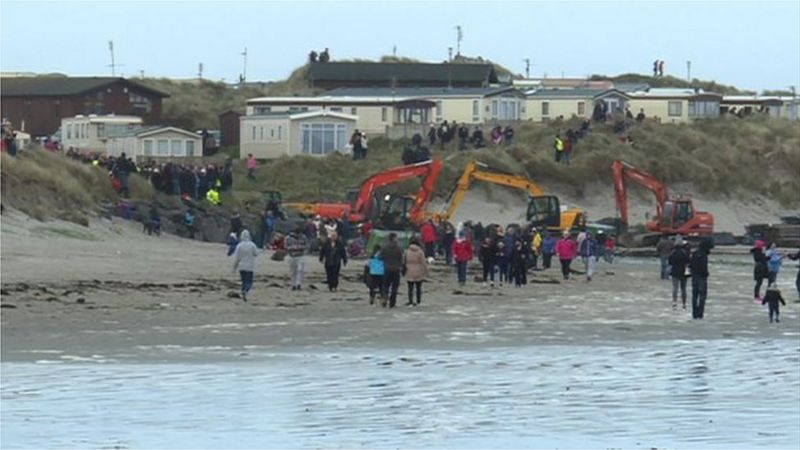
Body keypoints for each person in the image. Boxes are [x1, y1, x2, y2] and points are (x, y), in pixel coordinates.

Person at [231, 229, 258, 302]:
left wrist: (234, 268)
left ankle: (243, 291)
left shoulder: (239, 245)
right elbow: (256, 253)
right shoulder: (252, 245)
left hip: (241, 267)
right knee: (249, 282)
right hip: (250, 267)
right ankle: (246, 290)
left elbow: (236, 258)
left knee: (243, 281)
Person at [689, 238, 712, 319]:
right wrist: (706, 273)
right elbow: (703, 267)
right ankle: (700, 313)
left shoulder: (695, 253)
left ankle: (694, 313)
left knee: (695, 296)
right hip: (701, 277)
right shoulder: (704, 255)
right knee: (702, 296)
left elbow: (690, 264)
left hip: (694, 276)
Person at [381, 233, 404, 308]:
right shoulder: (399, 248)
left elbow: (381, 256)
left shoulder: (384, 247)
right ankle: (392, 302)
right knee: (395, 287)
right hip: (396, 269)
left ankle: (384, 298)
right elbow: (401, 259)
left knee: (385, 285)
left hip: (386, 268)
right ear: (394, 238)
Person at [403, 239, 429, 306]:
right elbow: (423, 262)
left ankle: (410, 301)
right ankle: (418, 301)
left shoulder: (407, 251)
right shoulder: (420, 252)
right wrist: (426, 271)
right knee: (418, 287)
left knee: (410, 288)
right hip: (418, 271)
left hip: (409, 270)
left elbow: (404, 261)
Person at [668, 241, 690, 310]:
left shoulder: (672, 253)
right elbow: (688, 262)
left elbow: (670, 262)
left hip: (674, 272)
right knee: (683, 288)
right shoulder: (685, 253)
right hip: (683, 272)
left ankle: (674, 302)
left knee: (675, 287)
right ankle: (684, 303)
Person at [286, 226, 309, 291]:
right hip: (292, 256)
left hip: (301, 256)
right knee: (293, 271)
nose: (298, 235)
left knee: (300, 270)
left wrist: (303, 249)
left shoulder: (304, 237)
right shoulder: (289, 238)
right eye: (297, 233)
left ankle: (299, 284)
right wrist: (293, 248)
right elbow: (286, 246)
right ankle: (293, 284)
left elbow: (307, 246)